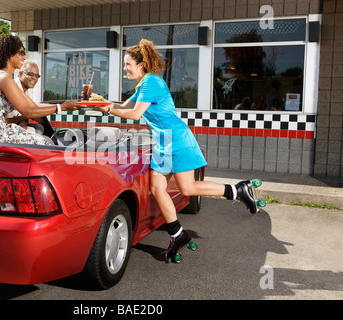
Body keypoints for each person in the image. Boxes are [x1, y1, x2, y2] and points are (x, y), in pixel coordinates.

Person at [91, 39, 259, 262]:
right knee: (157, 187)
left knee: (187, 188)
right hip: (163, 141)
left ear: (141, 65)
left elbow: (133, 114)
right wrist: (101, 103)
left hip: (177, 139)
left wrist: (109, 108)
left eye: (128, 63)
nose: (125, 68)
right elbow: (124, 107)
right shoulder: (142, 86)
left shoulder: (151, 82)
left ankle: (238, 190)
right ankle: (177, 234)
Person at [0, 34, 82, 145]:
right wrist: (62, 107)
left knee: (43, 138)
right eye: (21, 53)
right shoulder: (3, 77)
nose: (24, 57)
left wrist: (67, 105)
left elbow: (33, 105)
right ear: (8, 54)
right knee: (45, 143)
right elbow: (28, 111)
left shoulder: (5, 78)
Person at [6, 60, 55, 138]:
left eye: (37, 75)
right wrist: (28, 116)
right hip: (4, 129)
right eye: (31, 74)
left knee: (40, 128)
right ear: (20, 74)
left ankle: (52, 136)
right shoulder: (12, 88)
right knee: (39, 135)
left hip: (18, 125)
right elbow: (7, 120)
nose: (34, 78)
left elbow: (28, 111)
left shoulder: (28, 88)